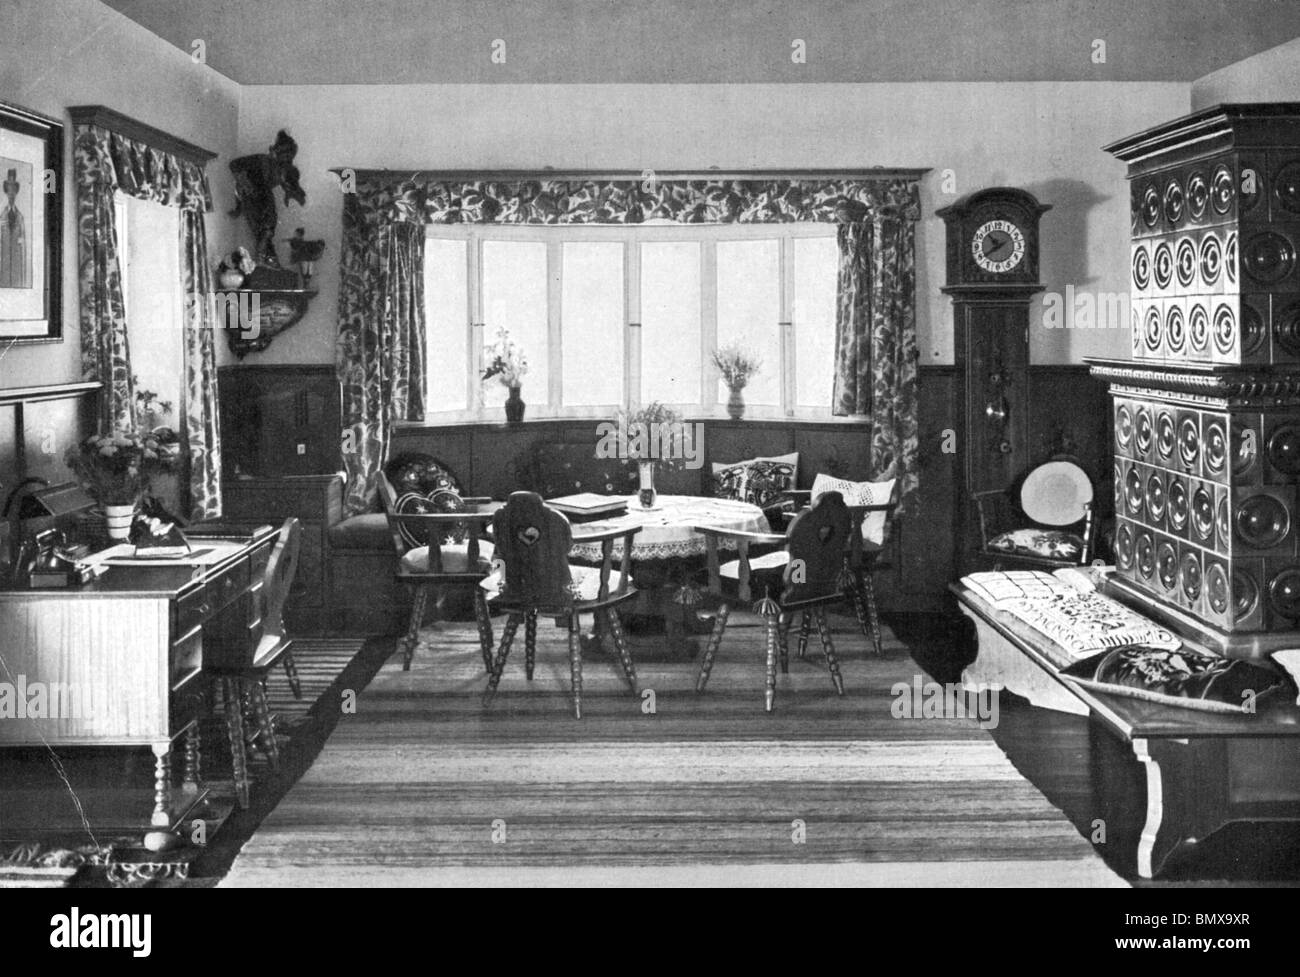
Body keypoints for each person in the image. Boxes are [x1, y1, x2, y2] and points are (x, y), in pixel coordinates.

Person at [0, 168, 28, 289]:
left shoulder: (20, 218)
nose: (11, 193)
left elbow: (23, 247)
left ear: (16, 192)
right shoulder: (1, 217)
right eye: (9, 190)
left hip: (16, 270)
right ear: (6, 192)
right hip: (3, 269)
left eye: (13, 190)